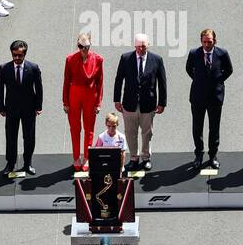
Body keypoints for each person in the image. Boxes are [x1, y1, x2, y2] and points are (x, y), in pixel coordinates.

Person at [113, 35, 167, 173]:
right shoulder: (125, 58)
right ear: (134, 46)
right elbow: (119, 79)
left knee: (147, 133)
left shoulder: (156, 59)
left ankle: (146, 158)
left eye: (143, 46)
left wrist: (162, 103)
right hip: (129, 103)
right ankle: (134, 158)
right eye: (138, 46)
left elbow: (162, 82)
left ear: (148, 45)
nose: (141, 49)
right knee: (130, 133)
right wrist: (117, 99)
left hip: (148, 104)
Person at [186, 28, 233, 171]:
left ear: (215, 41)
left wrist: (218, 82)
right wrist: (200, 81)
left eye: (210, 41)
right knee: (197, 128)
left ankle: (213, 155)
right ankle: (198, 155)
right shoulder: (194, 53)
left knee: (214, 128)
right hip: (197, 97)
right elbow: (189, 69)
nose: (207, 44)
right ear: (201, 41)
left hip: (215, 97)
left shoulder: (222, 53)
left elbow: (229, 70)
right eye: (204, 42)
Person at [0, 40, 43, 176]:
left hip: (29, 108)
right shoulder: (4, 68)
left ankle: (27, 163)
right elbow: (0, 89)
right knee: (11, 137)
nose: (17, 58)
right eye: (14, 55)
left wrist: (38, 106)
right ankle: (10, 164)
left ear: (24, 54)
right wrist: (1, 107)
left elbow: (39, 88)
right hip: (11, 109)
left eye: (19, 55)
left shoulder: (33, 68)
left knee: (29, 137)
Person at [63, 32, 104, 173]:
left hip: (90, 95)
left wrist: (98, 103)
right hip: (74, 94)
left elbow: (100, 82)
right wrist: (65, 102)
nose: (83, 50)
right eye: (80, 46)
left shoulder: (98, 59)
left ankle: (86, 157)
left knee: (89, 128)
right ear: (77, 45)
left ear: (90, 45)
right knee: (75, 128)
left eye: (86, 47)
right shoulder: (70, 59)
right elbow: (66, 81)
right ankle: (76, 157)